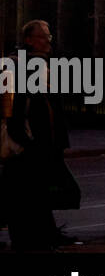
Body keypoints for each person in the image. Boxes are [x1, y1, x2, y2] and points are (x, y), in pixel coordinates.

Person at [2, 20, 77, 250]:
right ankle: (25, 239)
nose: (48, 41)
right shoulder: (15, 66)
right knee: (23, 193)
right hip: (26, 144)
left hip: (43, 143)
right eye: (43, 37)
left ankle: (44, 235)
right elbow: (12, 110)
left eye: (49, 36)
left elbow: (51, 106)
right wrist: (24, 141)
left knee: (39, 192)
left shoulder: (42, 65)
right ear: (28, 40)